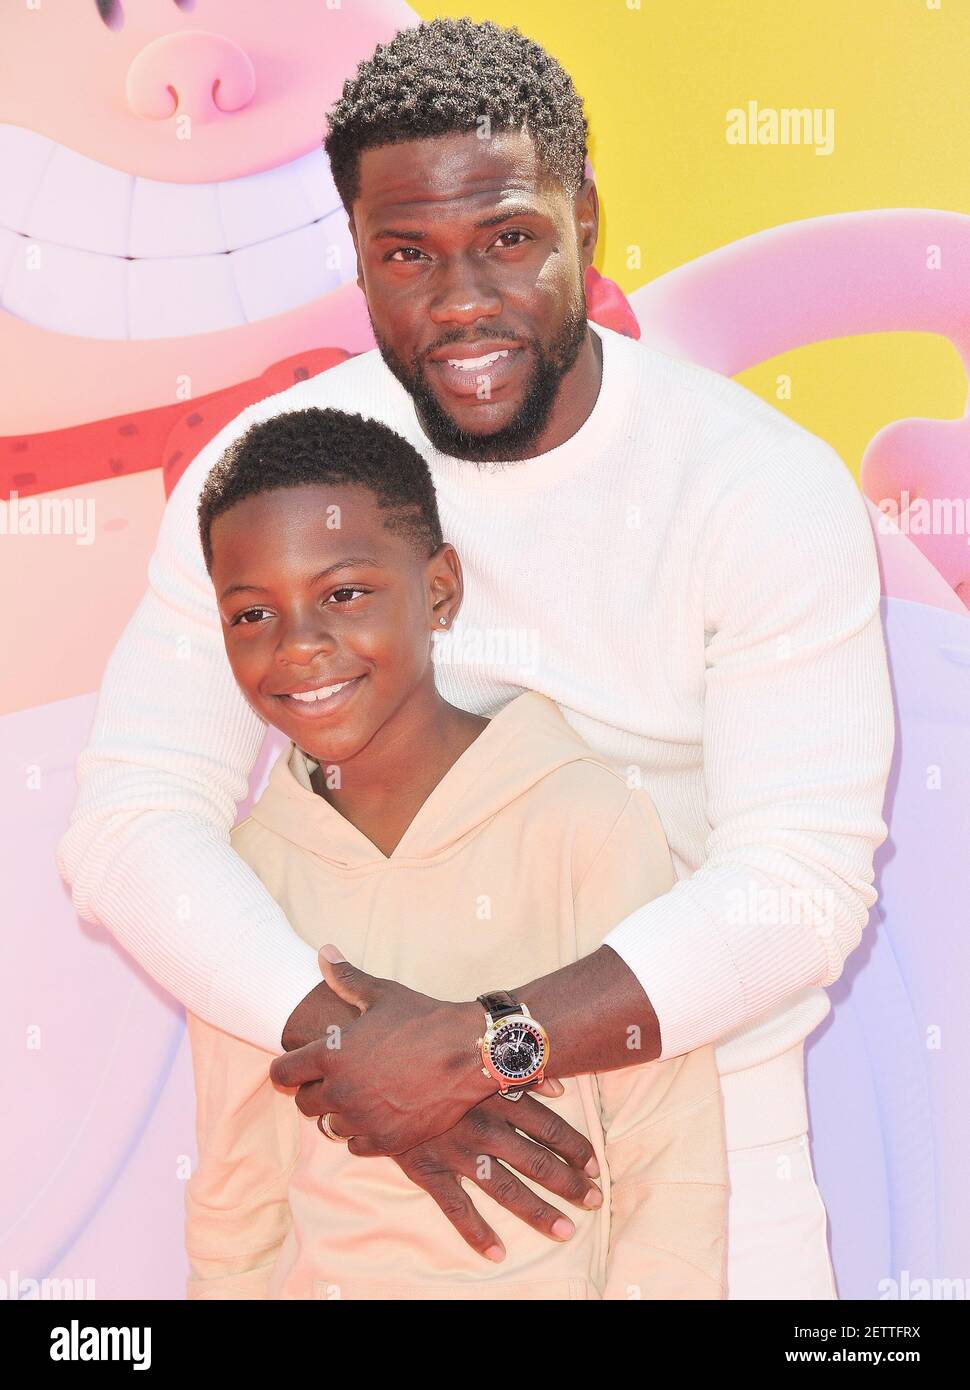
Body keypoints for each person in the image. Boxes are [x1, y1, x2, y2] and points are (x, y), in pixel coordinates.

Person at [57, 18, 894, 1299]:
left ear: (586, 221)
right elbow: (127, 824)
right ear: (355, 254)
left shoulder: (756, 484)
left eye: (507, 239)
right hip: (354, 1157)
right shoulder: (270, 473)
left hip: (709, 1148)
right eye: (407, 255)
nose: (460, 303)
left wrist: (484, 1045)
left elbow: (800, 887)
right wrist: (362, 1048)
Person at [183, 405, 727, 1300]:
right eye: (252, 614)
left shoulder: (582, 818)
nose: (300, 647)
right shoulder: (241, 873)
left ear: (438, 590)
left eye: (344, 593)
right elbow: (238, 1185)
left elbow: (671, 1160)